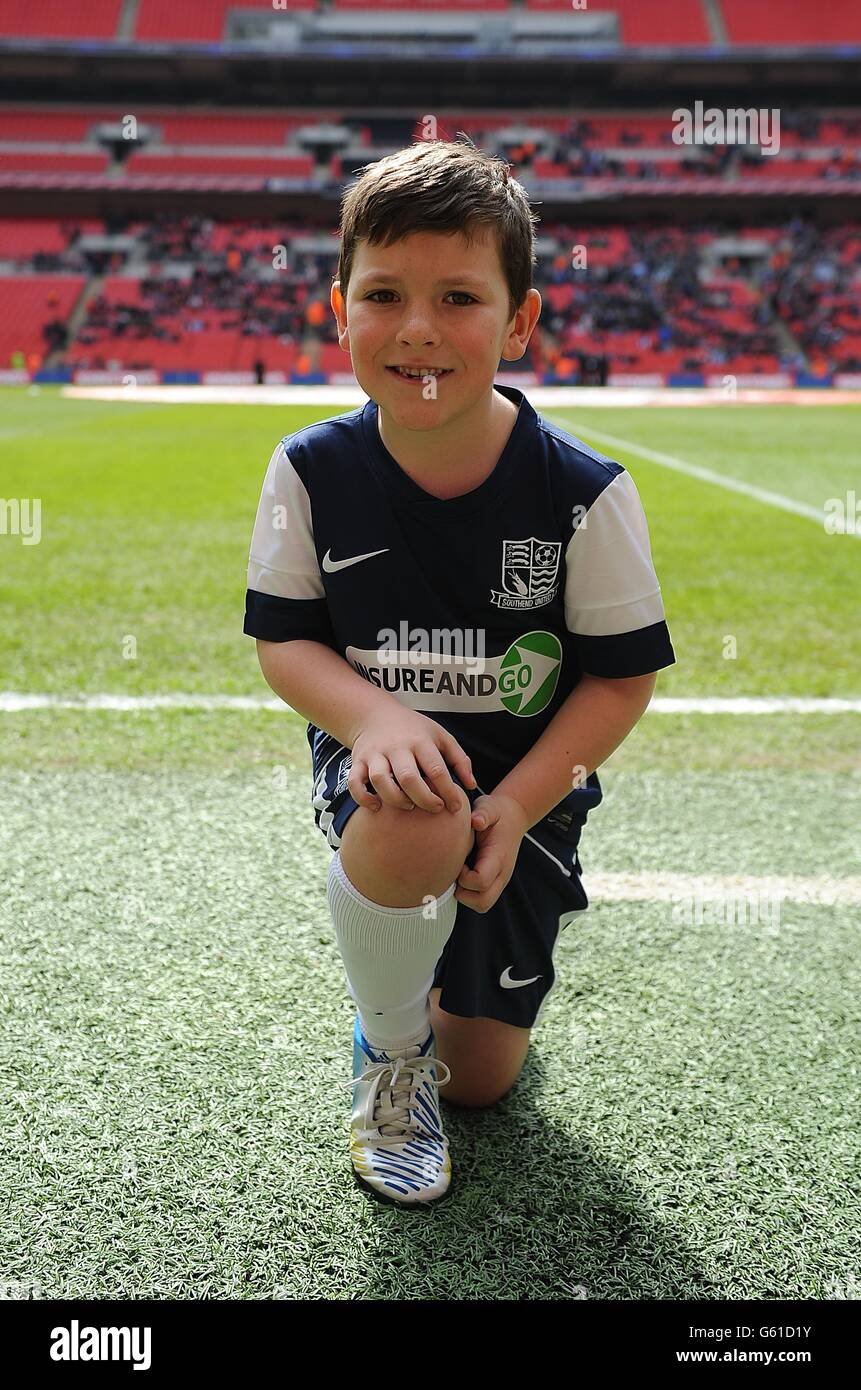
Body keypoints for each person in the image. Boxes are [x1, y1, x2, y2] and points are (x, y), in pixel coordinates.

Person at [243, 139, 676, 1207]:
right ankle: (390, 1057)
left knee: (483, 1079)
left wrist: (521, 806)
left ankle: (425, 999)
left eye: (459, 297)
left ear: (520, 321)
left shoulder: (586, 492)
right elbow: (284, 642)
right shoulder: (310, 470)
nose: (420, 327)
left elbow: (620, 681)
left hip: (531, 795)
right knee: (414, 814)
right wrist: (372, 716)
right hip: (384, 775)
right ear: (339, 307)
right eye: (384, 294)